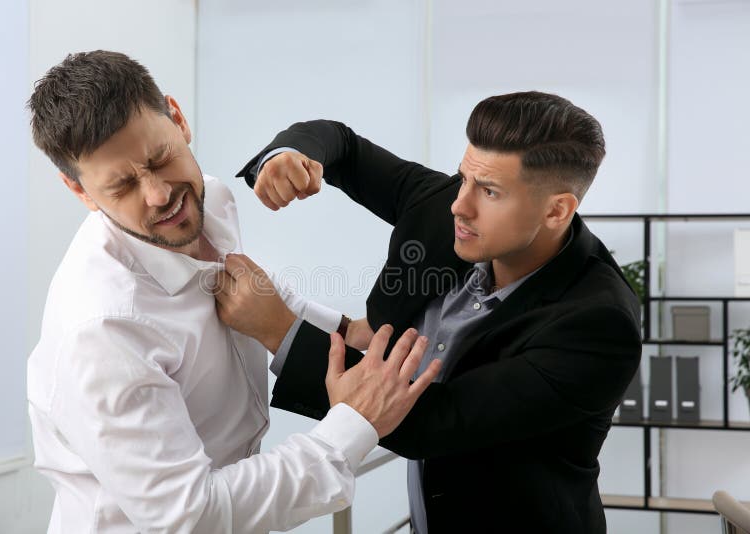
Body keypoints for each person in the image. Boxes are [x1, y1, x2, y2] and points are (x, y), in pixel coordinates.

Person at [26, 50, 440, 534]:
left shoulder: (209, 199)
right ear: (80, 191)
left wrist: (348, 331)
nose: (160, 195)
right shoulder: (103, 332)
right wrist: (352, 423)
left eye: (160, 159)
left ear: (178, 119)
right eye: (122, 187)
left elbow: (248, 291)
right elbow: (192, 515)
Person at [223, 92, 643, 533]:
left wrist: (278, 329)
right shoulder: (450, 208)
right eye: (464, 178)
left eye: (490, 191)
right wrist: (289, 155)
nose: (460, 205)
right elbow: (343, 146)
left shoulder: (598, 325)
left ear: (557, 210)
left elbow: (429, 422)